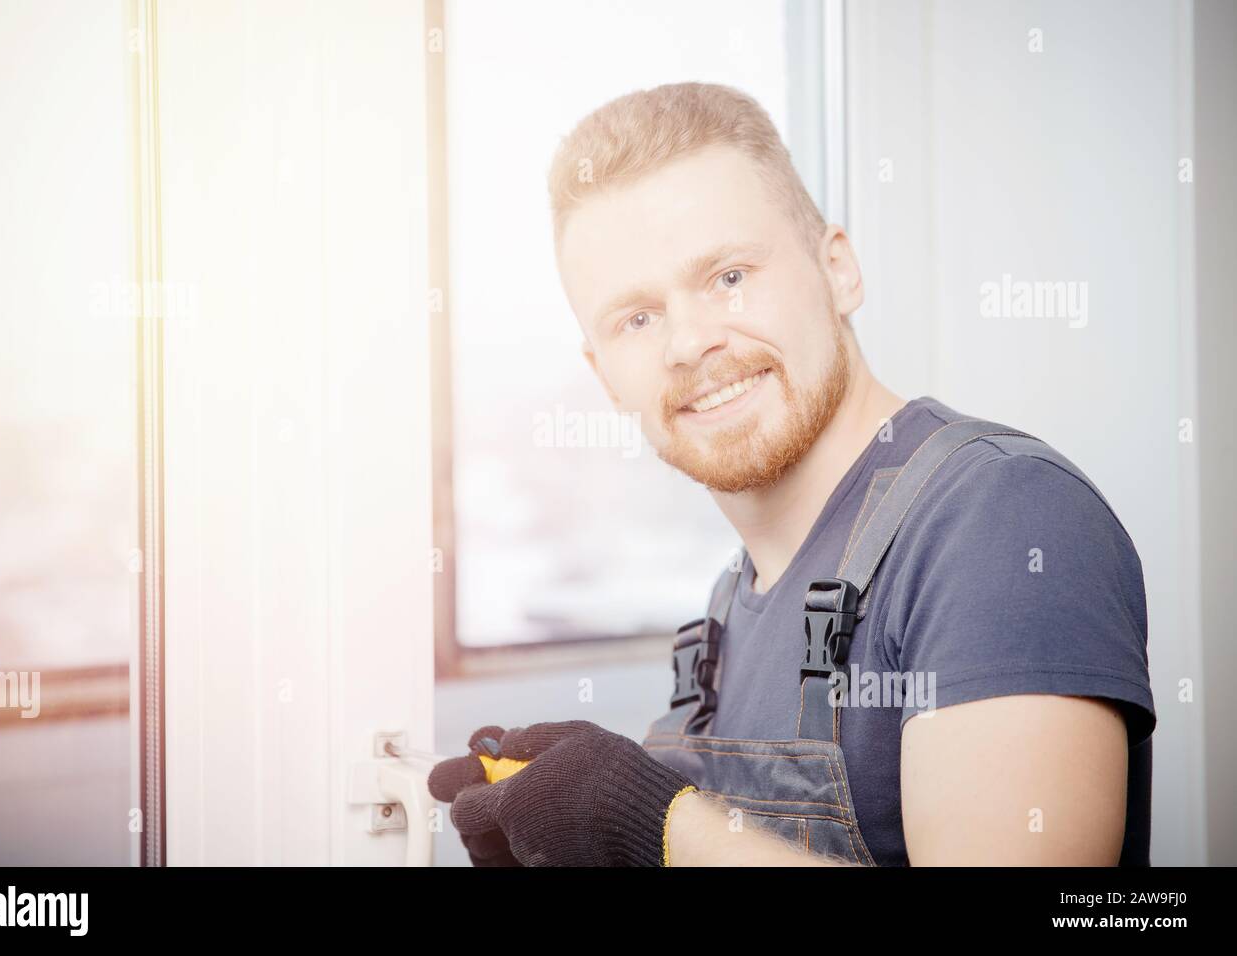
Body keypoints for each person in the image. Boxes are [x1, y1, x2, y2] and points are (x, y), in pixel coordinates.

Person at [428, 82, 1155, 867]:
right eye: (637, 319)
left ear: (838, 270)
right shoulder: (726, 609)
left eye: (729, 276)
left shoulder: (1003, 520)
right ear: (604, 376)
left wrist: (654, 824)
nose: (687, 343)